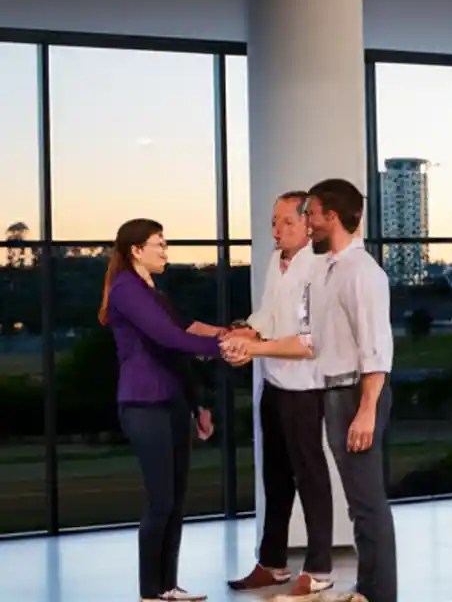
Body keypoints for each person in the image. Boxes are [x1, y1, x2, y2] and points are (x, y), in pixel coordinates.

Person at [223, 178, 397, 602]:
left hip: (340, 390)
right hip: (322, 388)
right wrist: (249, 334)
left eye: (307, 216)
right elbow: (299, 329)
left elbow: (372, 350)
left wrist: (367, 409)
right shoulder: (329, 266)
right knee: (353, 501)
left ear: (327, 218)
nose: (302, 223)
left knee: (363, 500)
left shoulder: (354, 272)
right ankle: (364, 590)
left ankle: (358, 586)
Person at [100, 218, 229, 602]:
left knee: (175, 501)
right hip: (144, 405)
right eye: (159, 244)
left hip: (171, 403)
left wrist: (231, 336)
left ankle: (168, 587)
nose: (165, 252)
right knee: (161, 502)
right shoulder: (126, 289)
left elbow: (188, 329)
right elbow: (170, 338)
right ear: (136, 250)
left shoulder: (153, 292)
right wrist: (225, 348)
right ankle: (150, 592)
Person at [225, 191, 335, 595]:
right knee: (274, 477)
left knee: (310, 476)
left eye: (287, 222)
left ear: (308, 223)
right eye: (274, 222)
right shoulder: (278, 262)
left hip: (304, 387)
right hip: (273, 383)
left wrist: (252, 348)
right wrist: (246, 332)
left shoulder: (318, 268)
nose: (277, 230)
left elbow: (307, 341)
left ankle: (319, 568)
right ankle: (272, 563)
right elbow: (268, 314)